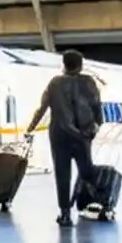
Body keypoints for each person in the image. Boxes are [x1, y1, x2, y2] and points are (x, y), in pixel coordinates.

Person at [25, 49, 102, 227]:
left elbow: (42, 108)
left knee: (62, 173)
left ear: (64, 64)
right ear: (81, 66)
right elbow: (97, 107)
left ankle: (65, 213)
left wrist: (30, 128)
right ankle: (94, 202)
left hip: (59, 135)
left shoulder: (54, 83)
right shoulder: (89, 82)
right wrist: (94, 128)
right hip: (83, 135)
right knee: (86, 169)